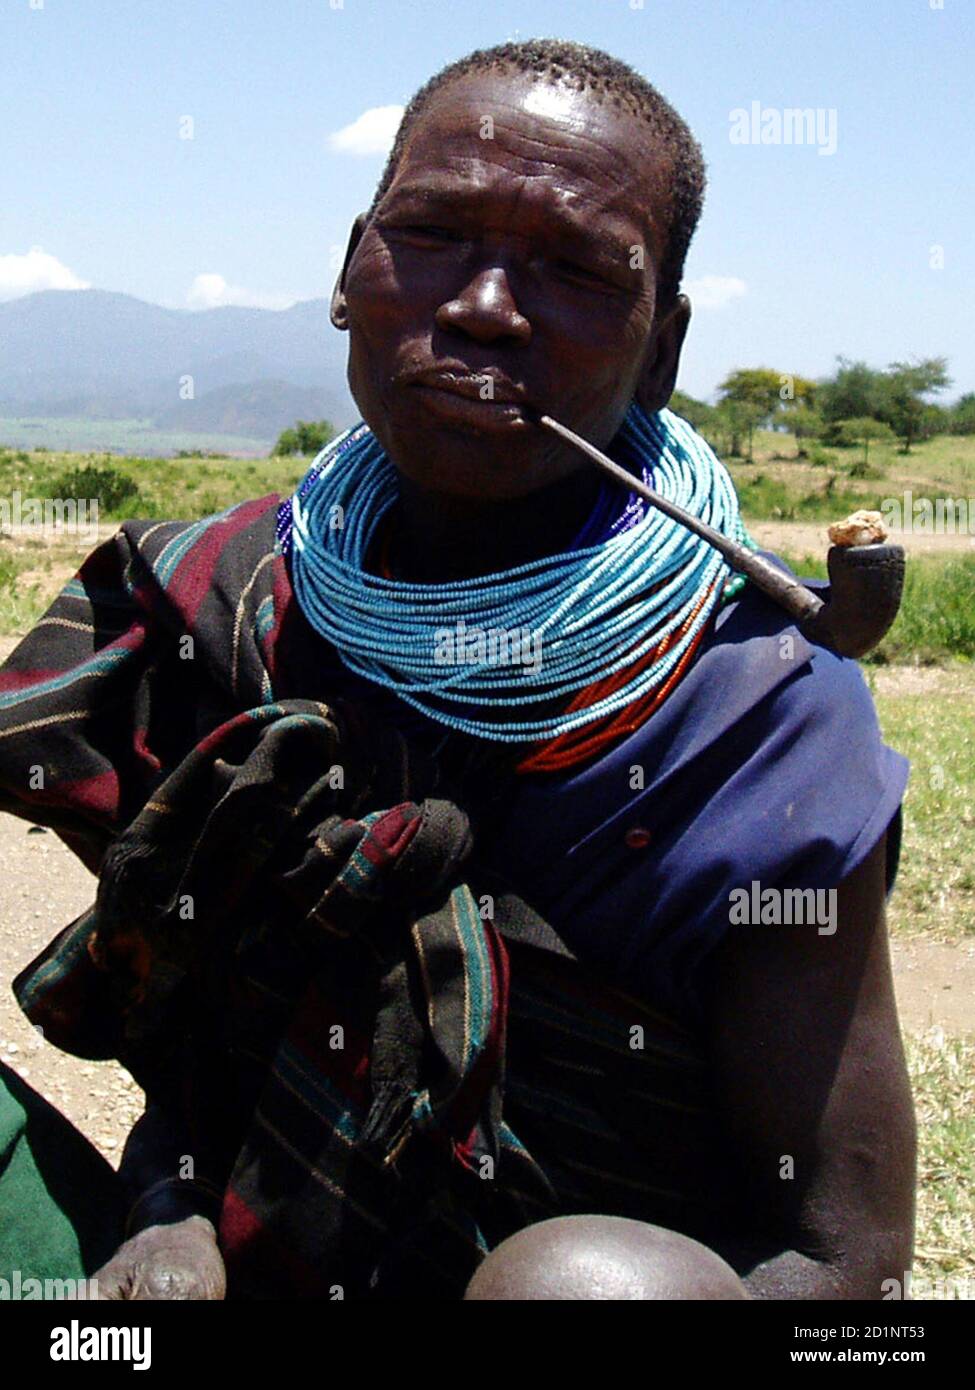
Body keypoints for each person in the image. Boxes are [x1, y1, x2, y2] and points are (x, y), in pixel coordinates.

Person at [0, 38, 914, 1300]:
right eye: (430, 234)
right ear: (346, 269)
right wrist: (165, 1212)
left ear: (661, 350)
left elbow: (842, 1261)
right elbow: (211, 1043)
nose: (486, 306)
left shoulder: (751, 722)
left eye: (578, 266)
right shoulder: (227, 602)